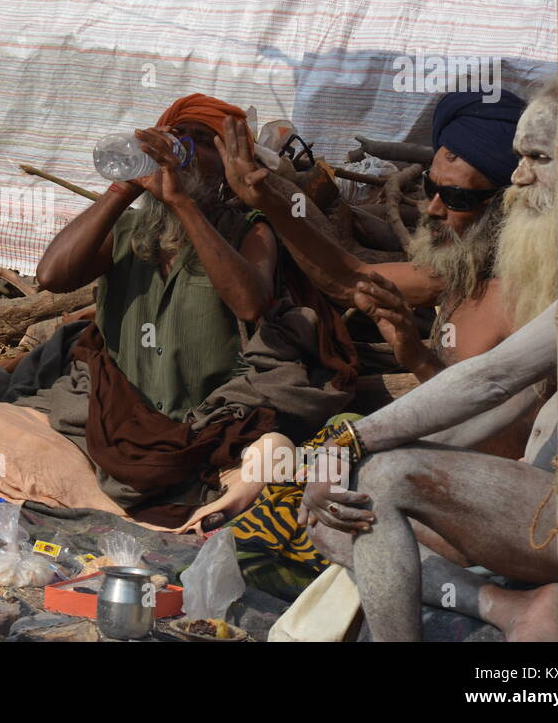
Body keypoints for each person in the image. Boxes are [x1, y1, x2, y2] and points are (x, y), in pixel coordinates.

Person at [303, 47, 558, 640]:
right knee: (335, 515)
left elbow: (495, 377)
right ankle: (503, 608)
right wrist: (345, 458)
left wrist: (349, 438)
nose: (517, 178)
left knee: (385, 480)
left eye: (538, 158)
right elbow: (513, 402)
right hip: (549, 496)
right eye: (519, 158)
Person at [0, 94, 323, 532]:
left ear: (228, 162)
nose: (186, 150)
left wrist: (183, 203)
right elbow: (51, 275)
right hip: (110, 430)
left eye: (204, 141)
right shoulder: (128, 229)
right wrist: (123, 184)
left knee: (272, 454)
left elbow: (249, 302)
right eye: (178, 137)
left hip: (206, 435)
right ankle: (128, 521)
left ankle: (96, 514)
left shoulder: (250, 230)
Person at [216, 89, 535, 456]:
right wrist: (268, 202)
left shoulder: (526, 302)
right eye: (432, 187)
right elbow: (348, 280)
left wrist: (417, 358)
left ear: (508, 205)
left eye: (456, 198)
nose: (431, 208)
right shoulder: (458, 272)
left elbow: (509, 446)